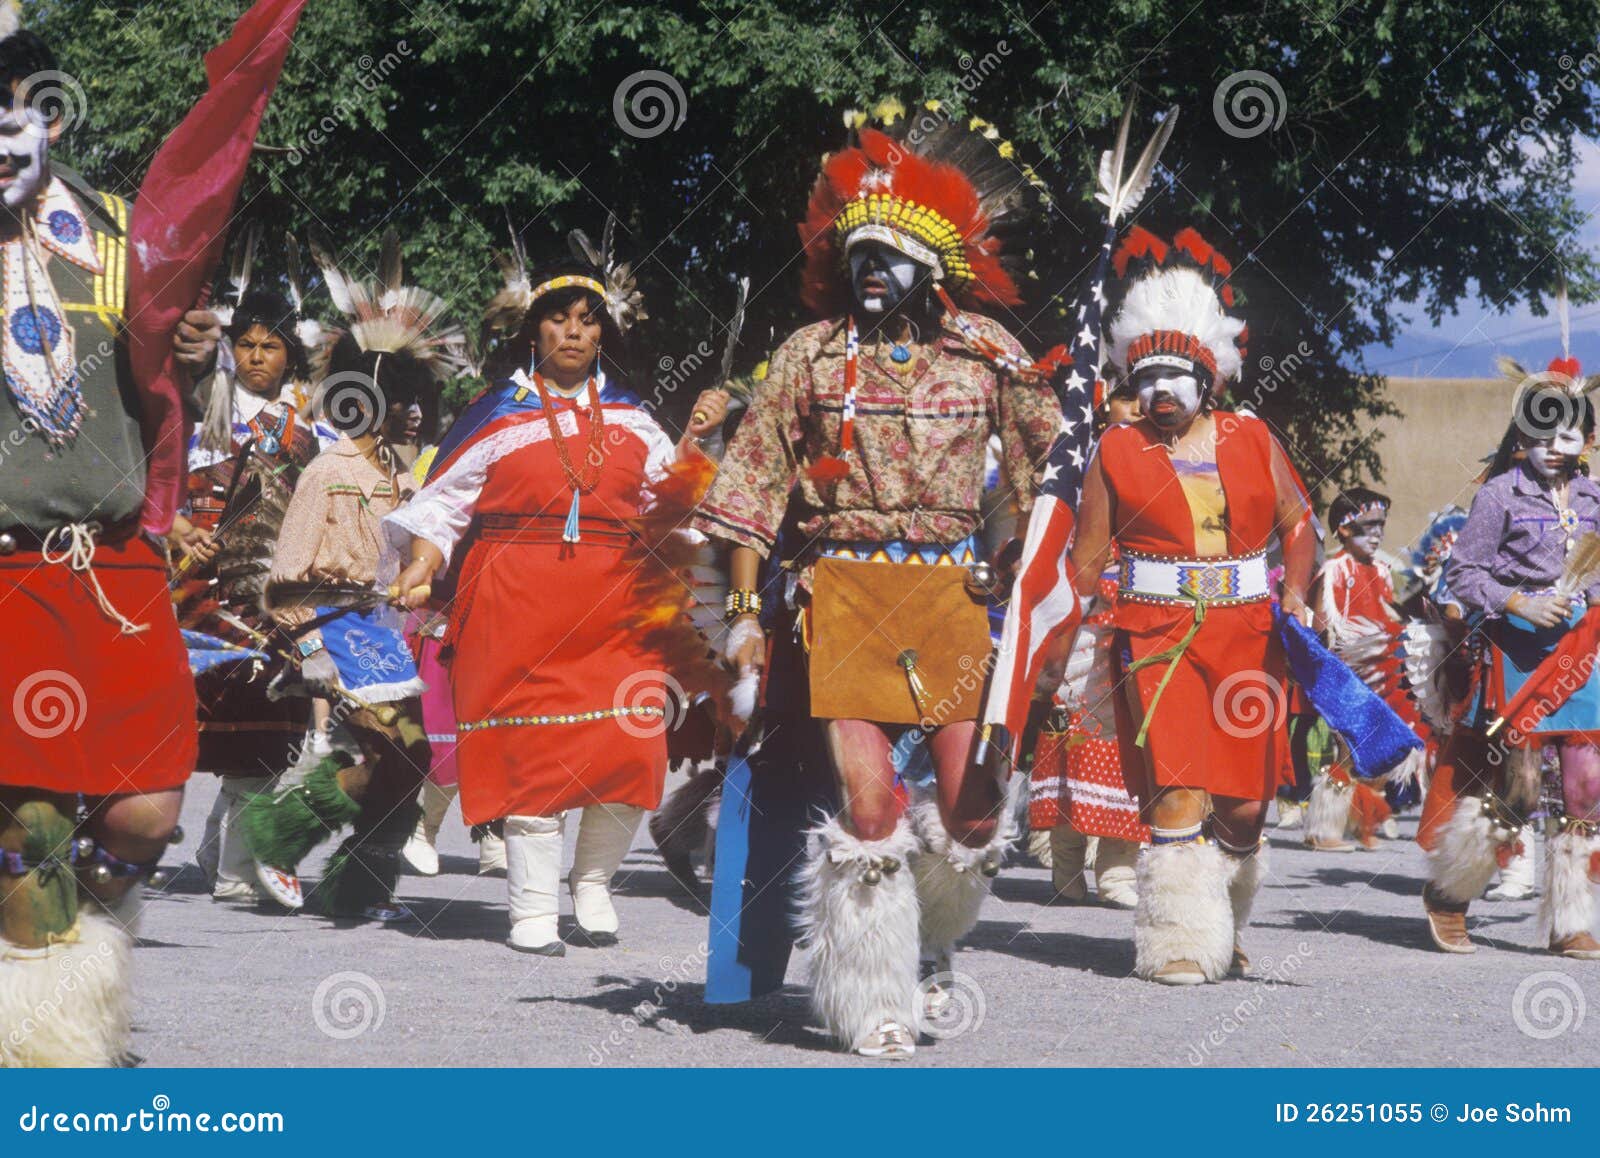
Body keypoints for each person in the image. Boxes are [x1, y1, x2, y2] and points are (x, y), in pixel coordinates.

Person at [693, 114, 1060, 1056]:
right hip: (841, 596)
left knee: (974, 811)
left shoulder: (989, 354)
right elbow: (748, 495)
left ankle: (932, 942)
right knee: (869, 810)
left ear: (934, 268)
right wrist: (740, 616)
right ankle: (872, 1000)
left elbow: (1049, 476)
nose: (871, 268)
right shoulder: (808, 357)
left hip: (954, 601)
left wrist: (1031, 572)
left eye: (891, 254)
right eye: (857, 252)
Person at [387, 235, 728, 955]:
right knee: (534, 757)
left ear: (603, 332)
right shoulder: (496, 413)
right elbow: (440, 507)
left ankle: (595, 885)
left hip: (616, 608)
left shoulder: (635, 418)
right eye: (559, 318)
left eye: (587, 320)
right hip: (515, 605)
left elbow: (678, 508)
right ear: (533, 328)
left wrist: (698, 440)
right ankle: (533, 909)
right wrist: (421, 566)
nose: (574, 332)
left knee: (630, 745)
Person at [0, 7, 223, 1065]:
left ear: (42, 113)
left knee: (143, 808)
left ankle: (66, 971)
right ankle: (42, 1046)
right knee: (31, 815)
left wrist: (196, 347)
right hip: (3, 569)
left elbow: (167, 390)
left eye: (9, 100)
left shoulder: (121, 232)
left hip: (116, 562)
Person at [1068, 227, 1315, 985]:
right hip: (1154, 634)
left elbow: (1297, 523)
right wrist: (1063, 618)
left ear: (1209, 379)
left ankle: (1224, 922)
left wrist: (1299, 593)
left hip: (1247, 639)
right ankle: (1176, 940)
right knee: (1175, 790)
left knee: (1242, 811)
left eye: (1176, 376)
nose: (1160, 392)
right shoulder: (1115, 449)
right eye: (1146, 377)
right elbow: (1086, 554)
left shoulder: (1251, 435)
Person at [237, 232, 464, 922]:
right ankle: (275, 838)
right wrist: (309, 651)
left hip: (385, 633)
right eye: (402, 398)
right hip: (336, 633)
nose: (414, 411)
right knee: (394, 750)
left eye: (417, 398)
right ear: (368, 398)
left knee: (410, 763)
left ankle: (354, 889)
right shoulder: (328, 472)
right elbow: (284, 578)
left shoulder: (398, 478)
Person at [1421, 360, 1600, 958]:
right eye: (1541, 435)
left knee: (1585, 788)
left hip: (1582, 657)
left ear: (1588, 440)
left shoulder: (1595, 497)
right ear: (1521, 437)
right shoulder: (1500, 494)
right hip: (1517, 655)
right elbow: (1464, 576)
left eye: (1567, 435)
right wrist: (1519, 601)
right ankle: (1451, 894)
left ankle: (1570, 918)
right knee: (1517, 789)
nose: (1554, 447)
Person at [175, 288, 326, 904]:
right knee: (209, 713)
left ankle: (226, 860)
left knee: (266, 725)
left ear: (289, 357)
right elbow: (164, 482)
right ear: (231, 350)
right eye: (247, 344)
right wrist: (180, 530)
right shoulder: (200, 405)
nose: (258, 356)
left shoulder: (305, 427)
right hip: (198, 578)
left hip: (270, 584)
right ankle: (224, 865)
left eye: (272, 346)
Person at [1029, 384, 1146, 908]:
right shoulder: (1073, 482)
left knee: (1134, 746)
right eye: (1126, 409)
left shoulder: (1163, 477)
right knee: (1072, 741)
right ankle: (1067, 861)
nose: (1138, 416)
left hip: (1141, 628)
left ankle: (1119, 869)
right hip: (1081, 631)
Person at [1304, 486, 1426, 850]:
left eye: (1381, 526)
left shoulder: (1383, 571)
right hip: (1346, 675)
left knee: (1379, 753)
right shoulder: (1334, 569)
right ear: (1343, 528)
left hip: (1382, 673)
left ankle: (1360, 822)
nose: (1377, 534)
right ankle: (1322, 829)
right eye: (1367, 525)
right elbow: (1323, 626)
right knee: (1348, 750)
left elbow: (1389, 615)